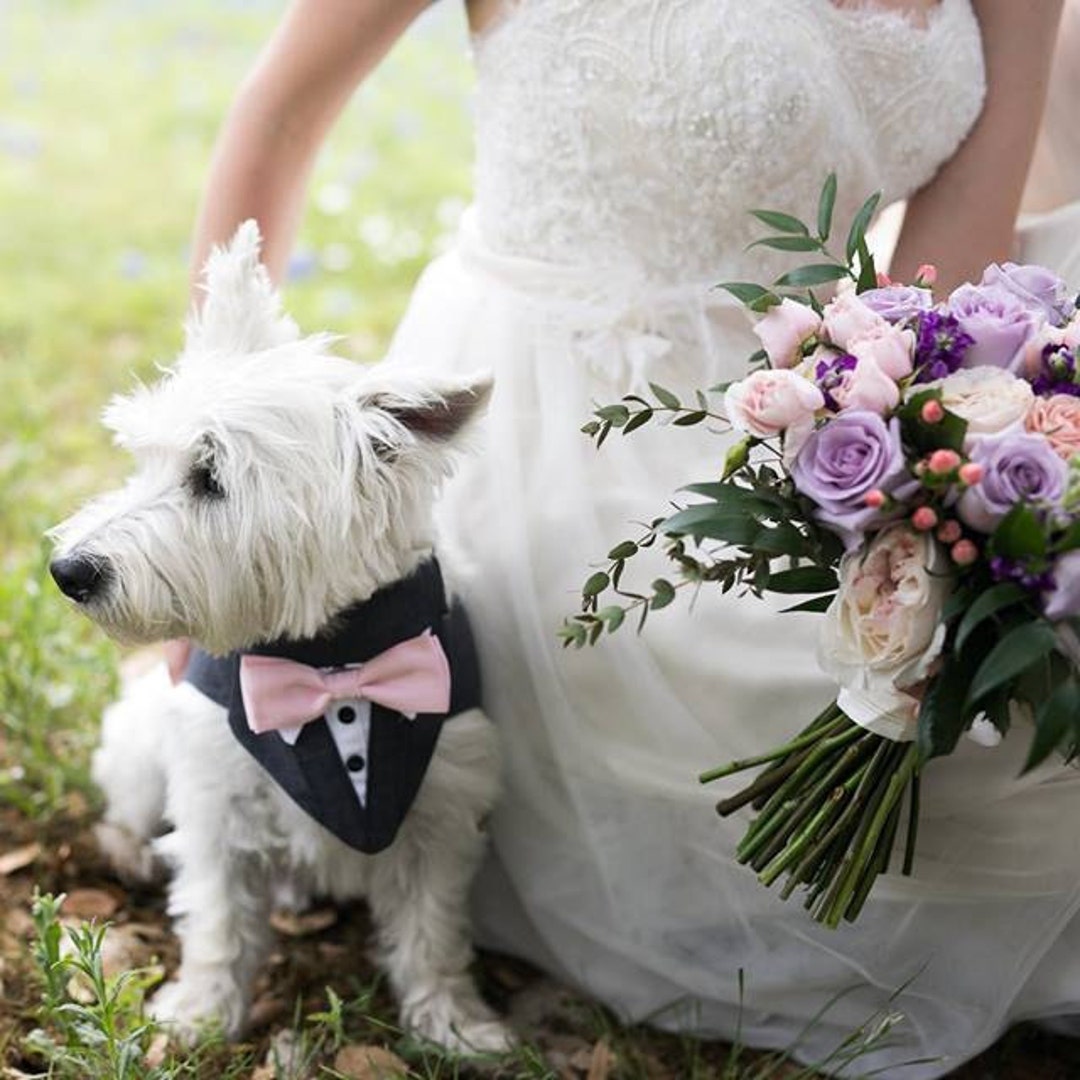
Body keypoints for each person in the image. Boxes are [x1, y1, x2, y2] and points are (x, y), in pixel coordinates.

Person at [187, 2, 1080, 1075]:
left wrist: (915, 506)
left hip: (809, 418)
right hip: (547, 420)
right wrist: (202, 489)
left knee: (1013, 676)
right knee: (807, 702)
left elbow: (945, 282)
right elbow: (283, 113)